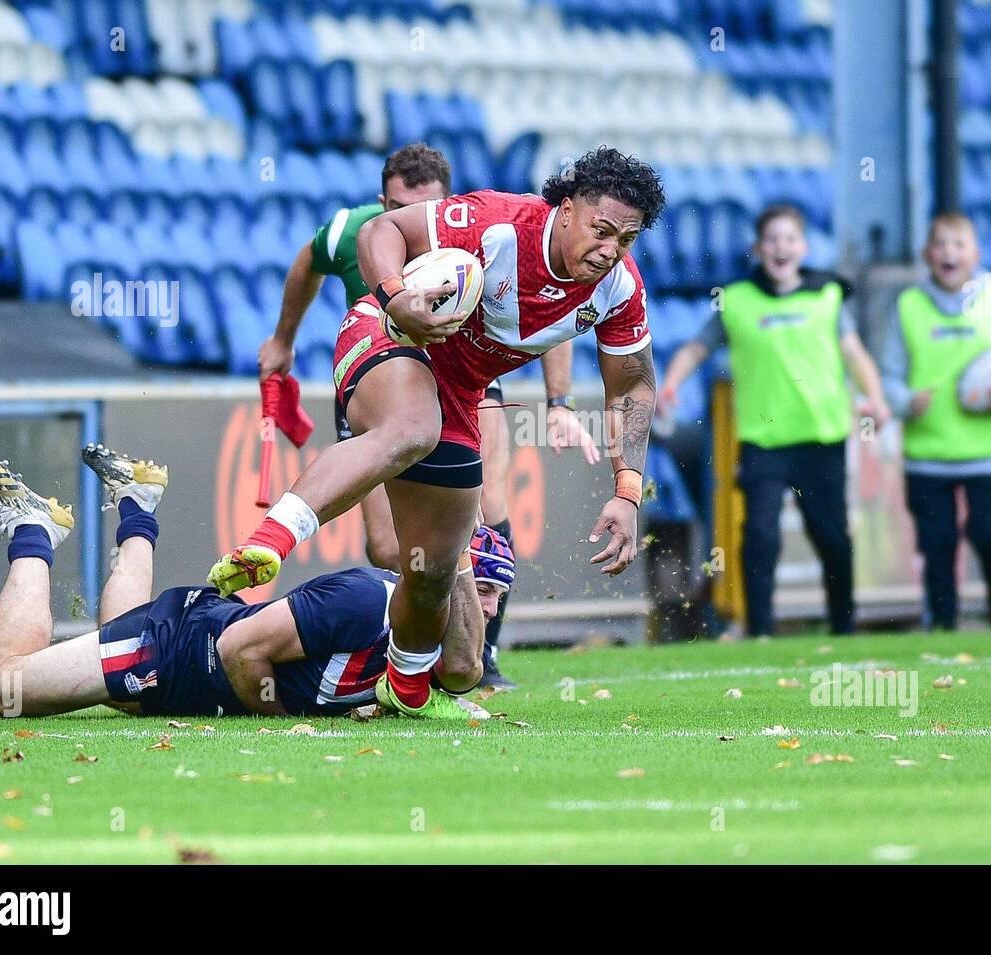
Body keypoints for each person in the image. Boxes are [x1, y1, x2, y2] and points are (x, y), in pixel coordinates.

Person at [208, 146, 665, 719]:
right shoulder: (496, 222)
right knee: (412, 429)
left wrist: (626, 492)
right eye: (601, 232)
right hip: (388, 335)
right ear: (567, 209)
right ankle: (270, 541)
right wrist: (398, 299)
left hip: (461, 396)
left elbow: (632, 390)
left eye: (625, 241)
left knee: (438, 595)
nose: (609, 252)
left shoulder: (618, 287)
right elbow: (379, 231)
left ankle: (407, 690)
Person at [0, 443, 513, 720]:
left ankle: (137, 503)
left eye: (498, 598)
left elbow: (466, 669)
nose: (489, 611)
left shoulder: (433, 659)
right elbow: (237, 650)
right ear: (447, 582)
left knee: (114, 626)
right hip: (178, 648)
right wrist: (277, 723)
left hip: (190, 666)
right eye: (483, 591)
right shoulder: (368, 600)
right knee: (0, 690)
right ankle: (33, 530)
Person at [658, 205, 890, 637]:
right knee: (760, 535)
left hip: (821, 435)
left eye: (789, 239)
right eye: (772, 240)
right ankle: (760, 629)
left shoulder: (827, 295)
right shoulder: (738, 301)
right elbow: (695, 349)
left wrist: (876, 398)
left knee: (832, 538)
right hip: (763, 439)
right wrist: (669, 387)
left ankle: (844, 625)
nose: (781, 248)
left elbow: (855, 353)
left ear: (802, 247)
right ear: (758, 249)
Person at [881, 212, 991, 630]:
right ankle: (940, 623)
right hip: (927, 453)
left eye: (959, 245)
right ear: (927, 254)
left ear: (975, 253)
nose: (949, 253)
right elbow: (887, 375)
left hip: (986, 453)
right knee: (936, 545)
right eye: (941, 245)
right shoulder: (908, 305)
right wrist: (903, 400)